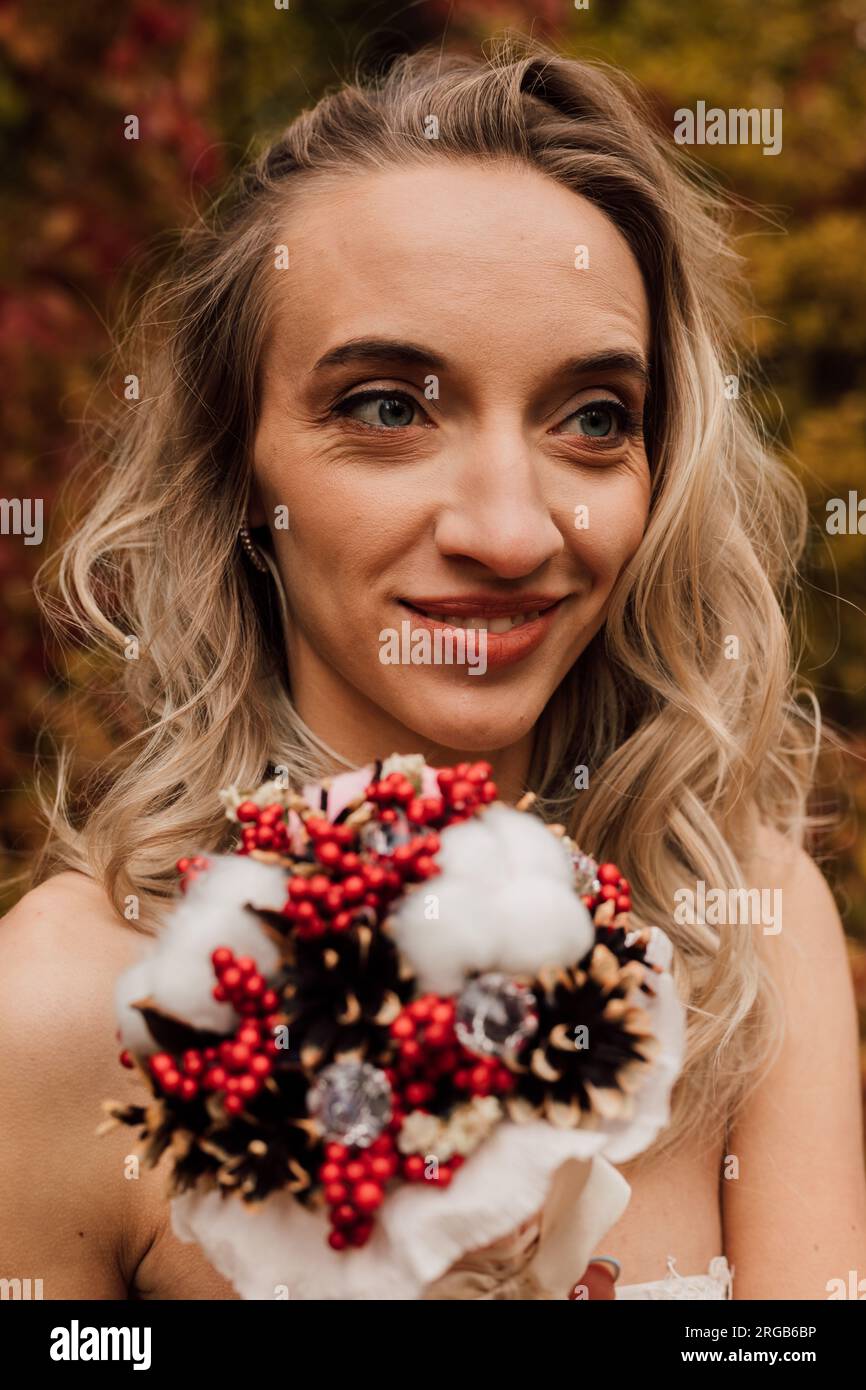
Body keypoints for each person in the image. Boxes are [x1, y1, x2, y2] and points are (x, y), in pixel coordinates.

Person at [2, 36, 864, 1300]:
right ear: (238, 457)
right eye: (388, 409)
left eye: (591, 418)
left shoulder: (736, 927)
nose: (510, 532)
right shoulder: (70, 1010)